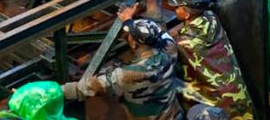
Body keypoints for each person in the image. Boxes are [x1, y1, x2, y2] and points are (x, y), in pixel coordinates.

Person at [63, 11, 206, 119]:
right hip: (174, 115)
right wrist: (129, 22)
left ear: (133, 43)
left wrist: (56, 90)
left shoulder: (126, 75)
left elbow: (84, 88)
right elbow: (159, 25)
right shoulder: (169, 52)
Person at [167, 0, 255, 119]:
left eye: (178, 7)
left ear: (186, 14)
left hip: (217, 98)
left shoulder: (184, 43)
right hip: (236, 87)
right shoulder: (212, 17)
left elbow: (162, 46)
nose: (175, 9)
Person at [211, 0, 270, 119]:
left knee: (246, 87)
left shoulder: (223, 5)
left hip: (239, 55)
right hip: (259, 48)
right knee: (260, 85)